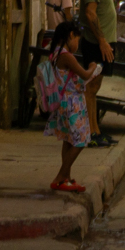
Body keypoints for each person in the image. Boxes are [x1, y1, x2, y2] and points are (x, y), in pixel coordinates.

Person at [38, 21, 99, 193]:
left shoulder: (55, 53)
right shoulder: (66, 56)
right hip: (72, 103)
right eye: (77, 40)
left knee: (68, 140)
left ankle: (66, 177)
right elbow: (85, 74)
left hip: (63, 102)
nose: (77, 45)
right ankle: (60, 176)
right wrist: (93, 67)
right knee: (81, 141)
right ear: (71, 35)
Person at [78, 0, 119, 147]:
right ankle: (89, 132)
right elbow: (90, 13)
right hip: (95, 43)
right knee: (91, 87)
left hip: (101, 43)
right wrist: (102, 41)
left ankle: (95, 130)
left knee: (94, 88)